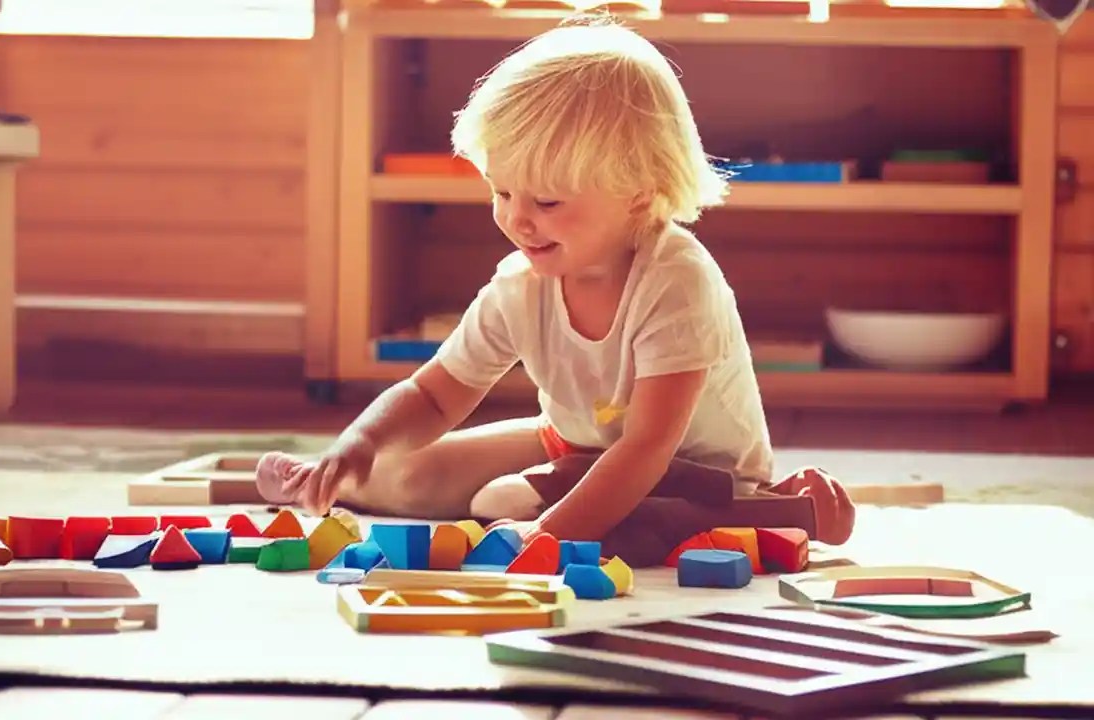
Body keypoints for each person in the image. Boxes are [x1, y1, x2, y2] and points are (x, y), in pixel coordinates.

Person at [258, 15, 854, 564]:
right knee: (409, 476)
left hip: (694, 471)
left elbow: (645, 449)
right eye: (501, 192)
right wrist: (360, 442)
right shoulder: (521, 283)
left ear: (639, 195)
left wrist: (546, 537)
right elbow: (435, 397)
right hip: (573, 445)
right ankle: (322, 479)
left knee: (533, 508)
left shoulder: (676, 283)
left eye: (546, 202)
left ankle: (787, 509)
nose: (516, 220)